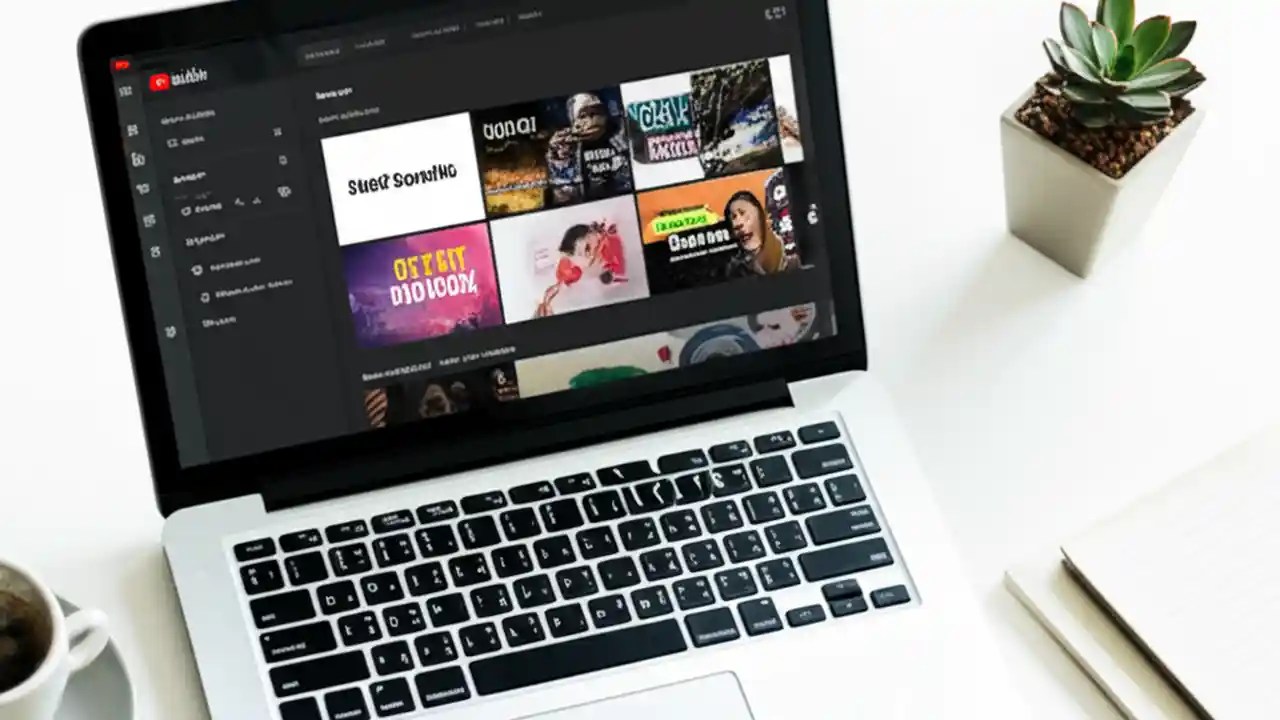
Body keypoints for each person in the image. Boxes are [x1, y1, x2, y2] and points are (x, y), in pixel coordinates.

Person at [546, 93, 633, 205]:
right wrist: (559, 161)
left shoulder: (619, 135)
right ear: (574, 121)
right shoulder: (569, 145)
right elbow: (564, 196)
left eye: (596, 112)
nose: (592, 119)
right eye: (583, 115)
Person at [723, 191, 799, 277]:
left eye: (742, 213)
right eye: (732, 218)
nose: (736, 224)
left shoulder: (794, 251)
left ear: (762, 215)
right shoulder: (736, 270)